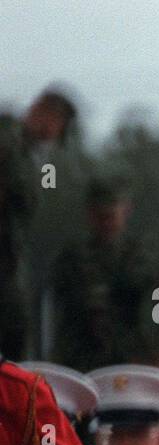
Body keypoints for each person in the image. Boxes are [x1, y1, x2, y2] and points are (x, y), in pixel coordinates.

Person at [0, 88, 81, 359]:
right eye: (56, 126)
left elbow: (35, 198)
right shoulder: (8, 140)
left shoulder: (26, 150)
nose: (53, 136)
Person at [50, 180, 154, 371]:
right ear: (90, 215)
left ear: (125, 212)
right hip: (80, 359)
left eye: (111, 216)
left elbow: (144, 305)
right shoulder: (72, 257)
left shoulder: (137, 256)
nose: (106, 223)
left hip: (125, 360)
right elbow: (68, 306)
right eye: (101, 216)